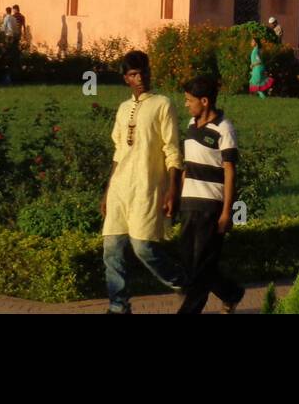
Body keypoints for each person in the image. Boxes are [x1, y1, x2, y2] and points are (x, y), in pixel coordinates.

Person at [100, 50, 187, 314]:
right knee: (111, 249)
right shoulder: (124, 108)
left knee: (143, 247)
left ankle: (183, 283)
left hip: (148, 187)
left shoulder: (163, 104)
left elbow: (172, 150)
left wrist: (173, 189)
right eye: (134, 74)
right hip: (120, 188)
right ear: (126, 78)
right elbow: (118, 151)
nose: (140, 78)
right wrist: (107, 191)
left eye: (144, 72)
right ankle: (118, 306)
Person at [177, 75, 246, 315]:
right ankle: (231, 292)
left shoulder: (225, 130)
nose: (186, 104)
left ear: (204, 101)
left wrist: (227, 211)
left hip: (211, 206)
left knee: (202, 265)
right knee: (189, 261)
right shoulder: (190, 125)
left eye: (189, 100)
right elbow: (188, 166)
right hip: (189, 203)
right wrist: (177, 196)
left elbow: (230, 172)